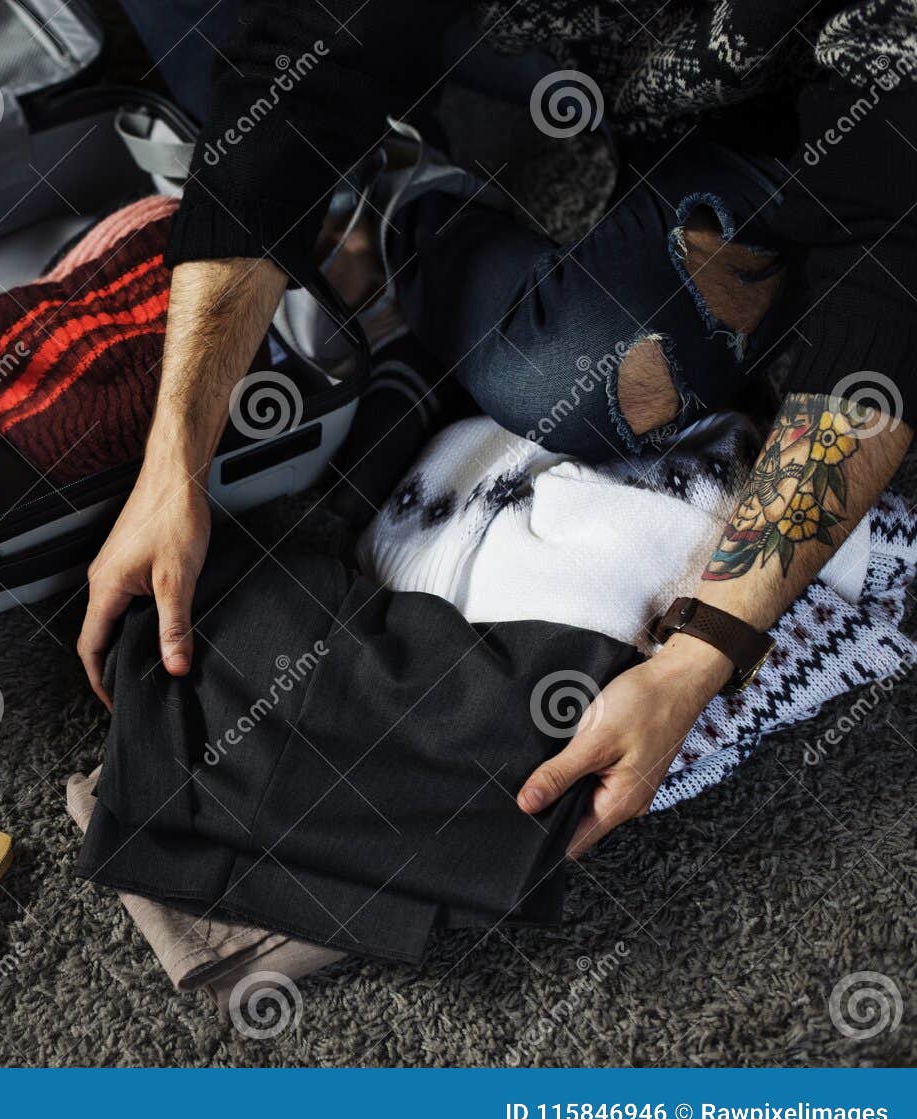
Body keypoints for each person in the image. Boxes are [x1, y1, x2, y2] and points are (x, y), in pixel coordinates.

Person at [78, 1, 916, 856]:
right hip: (639, 75)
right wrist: (171, 469)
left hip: (850, 128)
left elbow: (888, 285)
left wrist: (701, 656)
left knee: (581, 373)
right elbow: (302, 65)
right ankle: (391, 178)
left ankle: (405, 191)